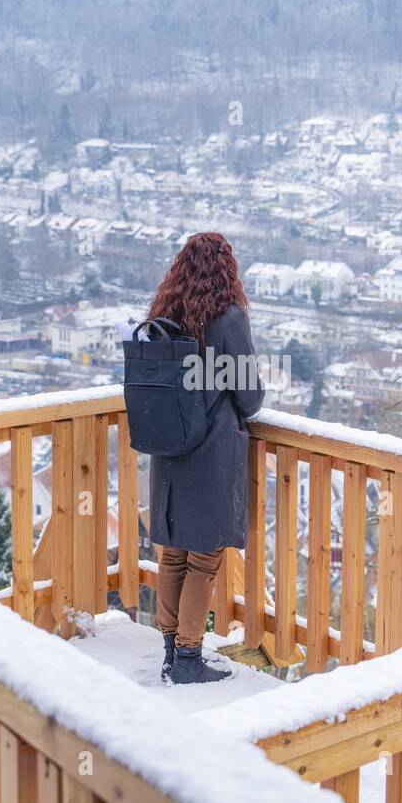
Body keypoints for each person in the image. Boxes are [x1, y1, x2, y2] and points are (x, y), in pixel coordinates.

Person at [146, 232, 263, 684]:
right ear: (226, 271)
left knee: (173, 555)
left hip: (168, 450)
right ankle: (190, 660)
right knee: (204, 559)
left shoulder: (162, 315)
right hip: (210, 453)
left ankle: (171, 651)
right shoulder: (228, 320)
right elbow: (250, 397)